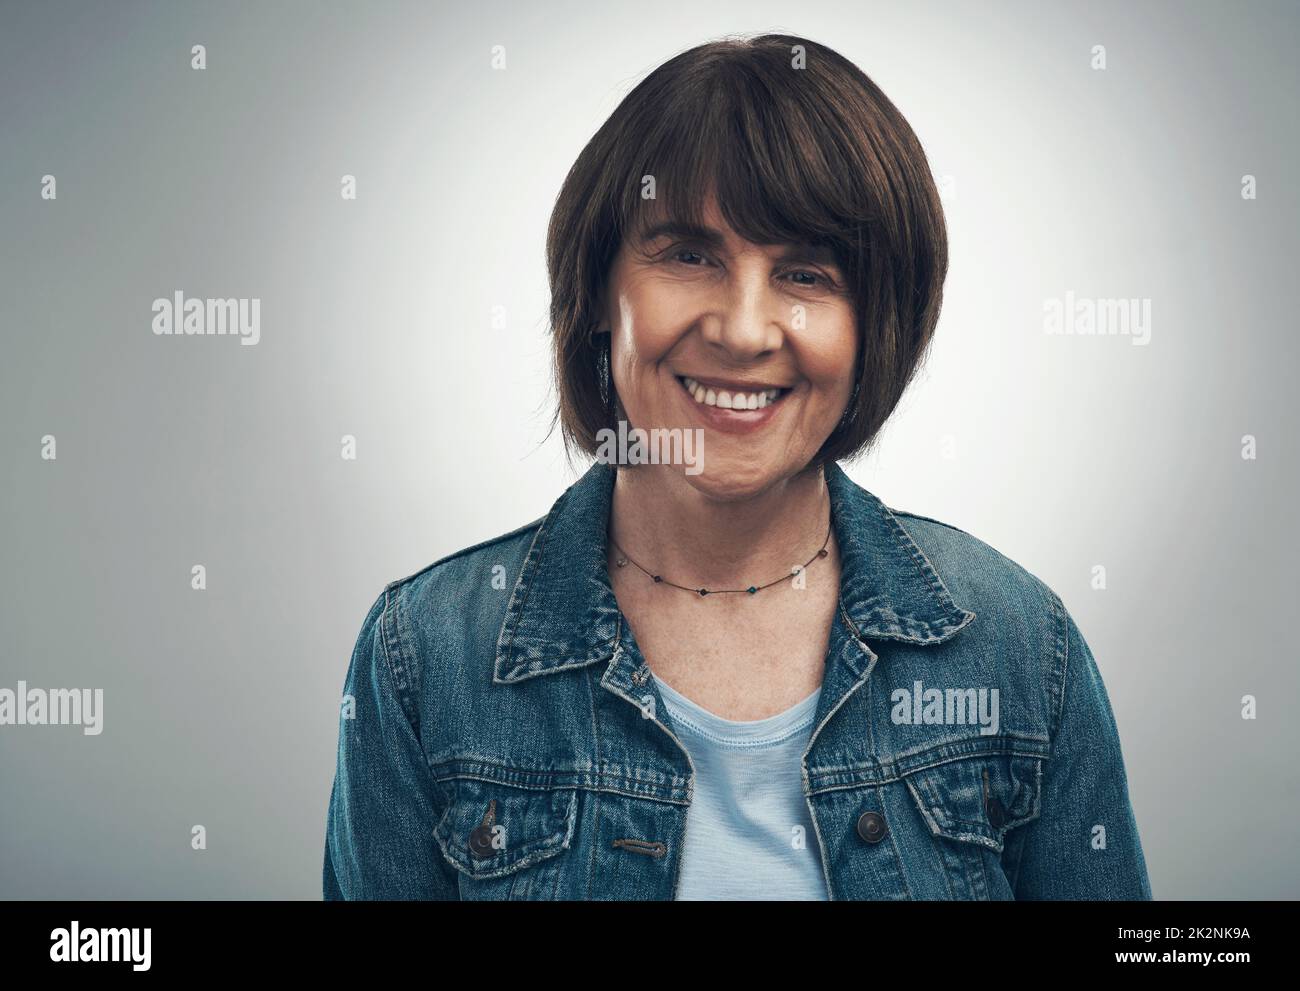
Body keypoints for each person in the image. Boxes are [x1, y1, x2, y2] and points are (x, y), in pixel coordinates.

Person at [323, 33, 1152, 900]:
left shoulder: (1018, 645)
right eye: (689, 256)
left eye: (804, 272)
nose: (743, 328)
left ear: (876, 328)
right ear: (602, 294)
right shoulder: (425, 654)